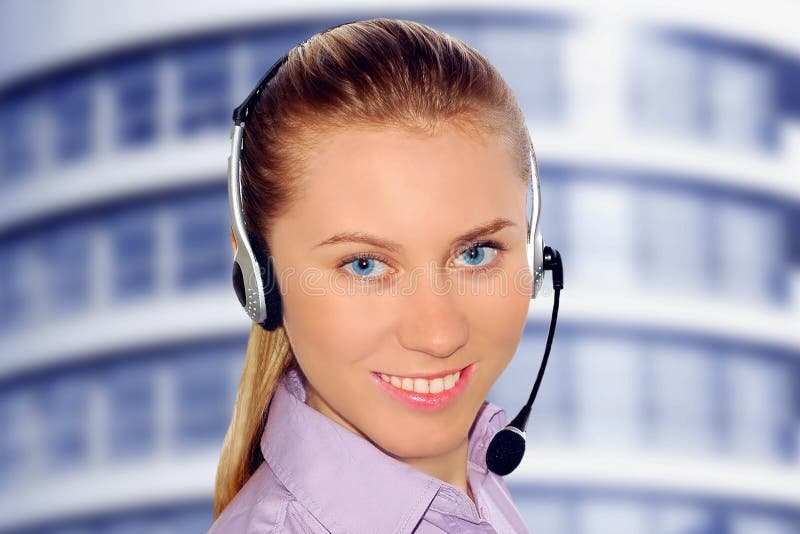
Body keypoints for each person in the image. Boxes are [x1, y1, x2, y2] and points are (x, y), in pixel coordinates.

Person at [209, 18, 540, 533]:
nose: (439, 335)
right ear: (259, 276)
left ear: (533, 252)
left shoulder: (474, 476)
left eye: (475, 253)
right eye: (365, 265)